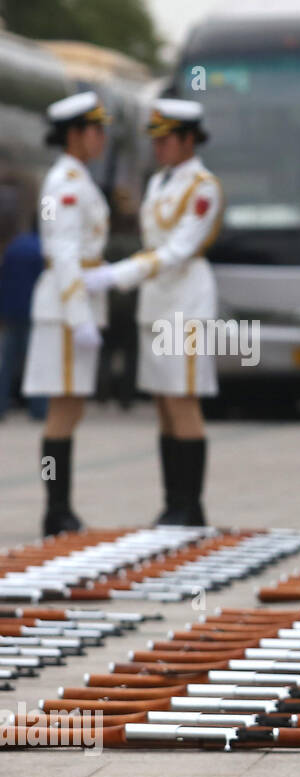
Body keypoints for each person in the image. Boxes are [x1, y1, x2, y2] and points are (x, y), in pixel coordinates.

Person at [84, 100, 224, 526]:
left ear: (187, 139)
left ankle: (190, 505)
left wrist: (117, 275)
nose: (158, 148)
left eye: (165, 140)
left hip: (185, 302)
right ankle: (173, 503)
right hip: (156, 302)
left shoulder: (203, 186)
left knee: (182, 400)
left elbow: (178, 251)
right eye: (156, 140)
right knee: (164, 401)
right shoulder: (160, 182)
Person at [20, 92, 112, 536]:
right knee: (61, 411)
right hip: (65, 310)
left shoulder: (77, 178)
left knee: (69, 410)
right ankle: (56, 510)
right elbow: (64, 255)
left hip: (72, 306)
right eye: (95, 130)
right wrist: (79, 319)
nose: (102, 138)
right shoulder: (67, 184)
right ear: (75, 134)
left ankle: (61, 508)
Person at [0, 219, 47, 421]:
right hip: (33, 312)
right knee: (35, 363)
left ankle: (1, 405)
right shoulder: (42, 249)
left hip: (11, 311)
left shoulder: (14, 246)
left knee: (7, 362)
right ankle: (38, 409)